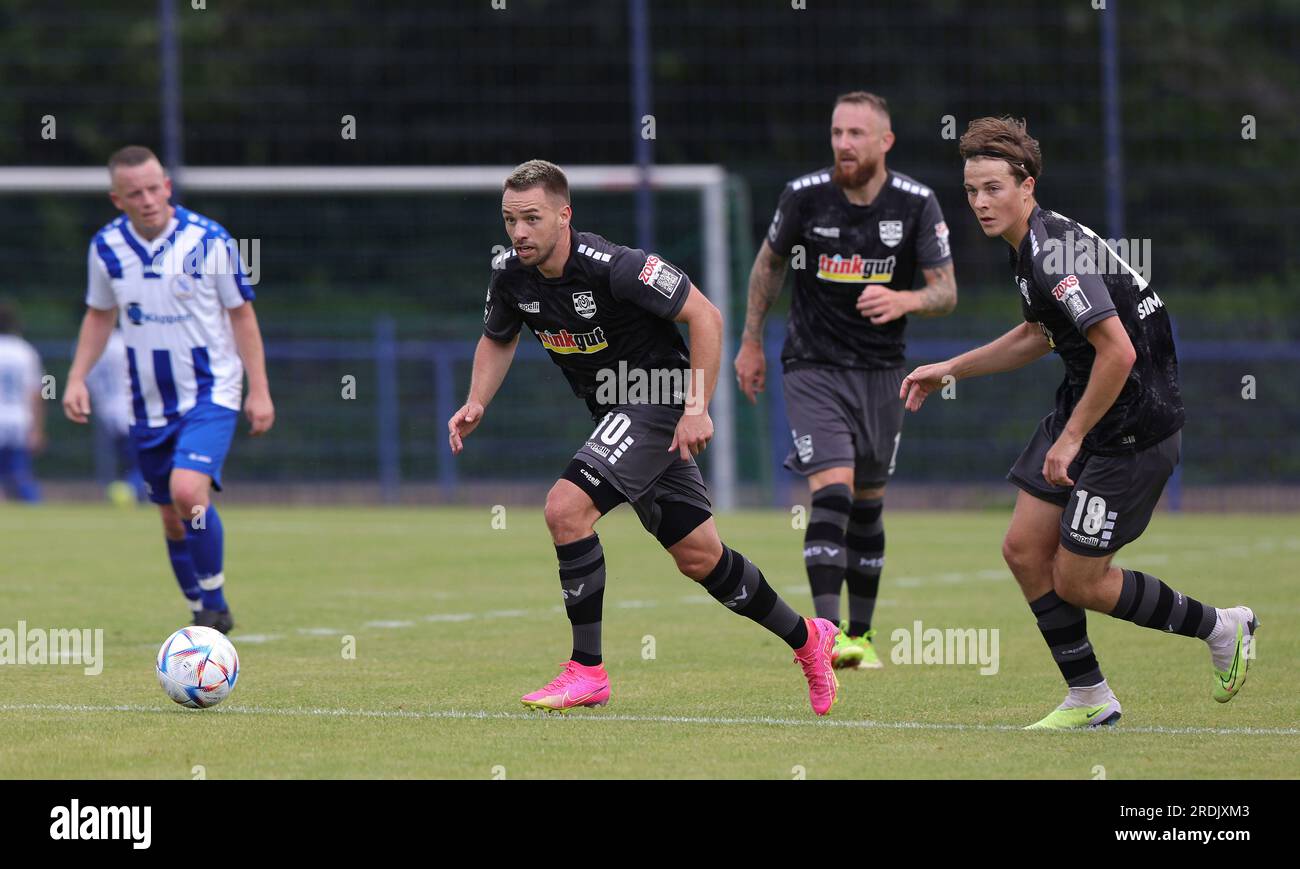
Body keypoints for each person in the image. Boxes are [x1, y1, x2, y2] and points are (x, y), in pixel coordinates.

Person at [900, 117, 1257, 728]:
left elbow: (1118, 351)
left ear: (1026, 185)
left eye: (993, 188)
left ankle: (1222, 627)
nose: (981, 202)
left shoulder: (1052, 251)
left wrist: (1070, 439)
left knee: (1079, 579)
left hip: (1133, 425)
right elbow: (1039, 333)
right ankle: (1090, 698)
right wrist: (950, 369)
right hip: (1090, 405)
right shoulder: (1034, 247)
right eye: (971, 191)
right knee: (1021, 549)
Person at [448, 159, 840, 715]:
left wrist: (697, 407)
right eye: (510, 220)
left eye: (531, 219)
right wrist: (477, 400)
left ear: (565, 215)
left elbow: (706, 316)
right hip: (617, 413)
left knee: (565, 509)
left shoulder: (618, 266)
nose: (519, 232)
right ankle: (809, 639)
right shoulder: (511, 276)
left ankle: (587, 670)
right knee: (700, 557)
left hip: (658, 397)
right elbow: (498, 337)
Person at [735, 91, 957, 669]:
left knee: (867, 506)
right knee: (831, 491)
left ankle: (862, 635)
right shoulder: (805, 197)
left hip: (883, 374)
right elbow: (768, 265)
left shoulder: (916, 203)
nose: (843, 144)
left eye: (857, 133)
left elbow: (946, 291)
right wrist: (751, 341)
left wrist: (904, 297)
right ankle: (826, 635)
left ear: (885, 141)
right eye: (837, 132)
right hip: (812, 367)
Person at [63, 146, 274, 633]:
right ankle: (199, 606)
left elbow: (242, 316)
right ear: (118, 199)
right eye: (135, 192)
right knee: (172, 518)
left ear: (168, 187)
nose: (148, 199)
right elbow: (99, 315)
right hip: (148, 403)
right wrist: (75, 377)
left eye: (155, 187)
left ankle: (214, 608)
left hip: (211, 392)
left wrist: (258, 390)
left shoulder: (211, 240)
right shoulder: (106, 248)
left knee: (187, 490)